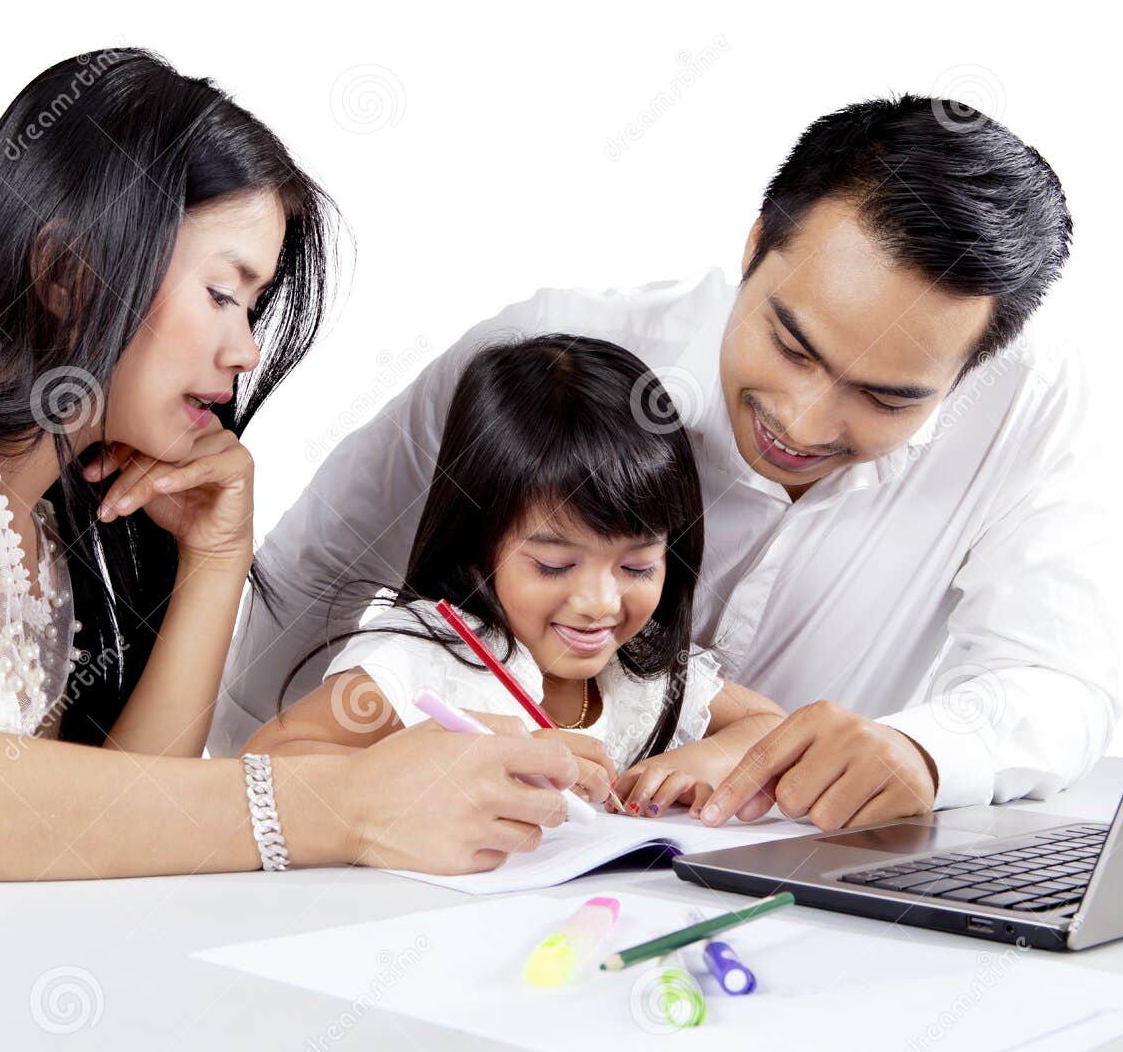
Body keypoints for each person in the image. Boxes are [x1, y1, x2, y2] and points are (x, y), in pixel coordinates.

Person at [0, 48, 577, 878]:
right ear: (69, 273)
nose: (244, 350)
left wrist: (214, 564)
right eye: (221, 294)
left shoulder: (55, 553)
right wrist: (339, 803)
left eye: (254, 305)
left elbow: (118, 836)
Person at [212, 95, 1119, 833]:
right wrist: (258, 832)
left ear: (971, 369)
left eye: (885, 398)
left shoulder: (1024, 404)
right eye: (791, 345)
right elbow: (321, 572)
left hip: (770, 896)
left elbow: (1061, 680)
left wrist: (923, 750)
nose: (803, 421)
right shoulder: (543, 363)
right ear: (756, 244)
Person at [247, 334, 784, 817]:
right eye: (554, 565)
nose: (600, 602)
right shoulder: (426, 658)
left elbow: (772, 727)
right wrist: (440, 772)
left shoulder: (640, 670)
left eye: (637, 566)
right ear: (478, 542)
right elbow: (262, 765)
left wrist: (706, 757)